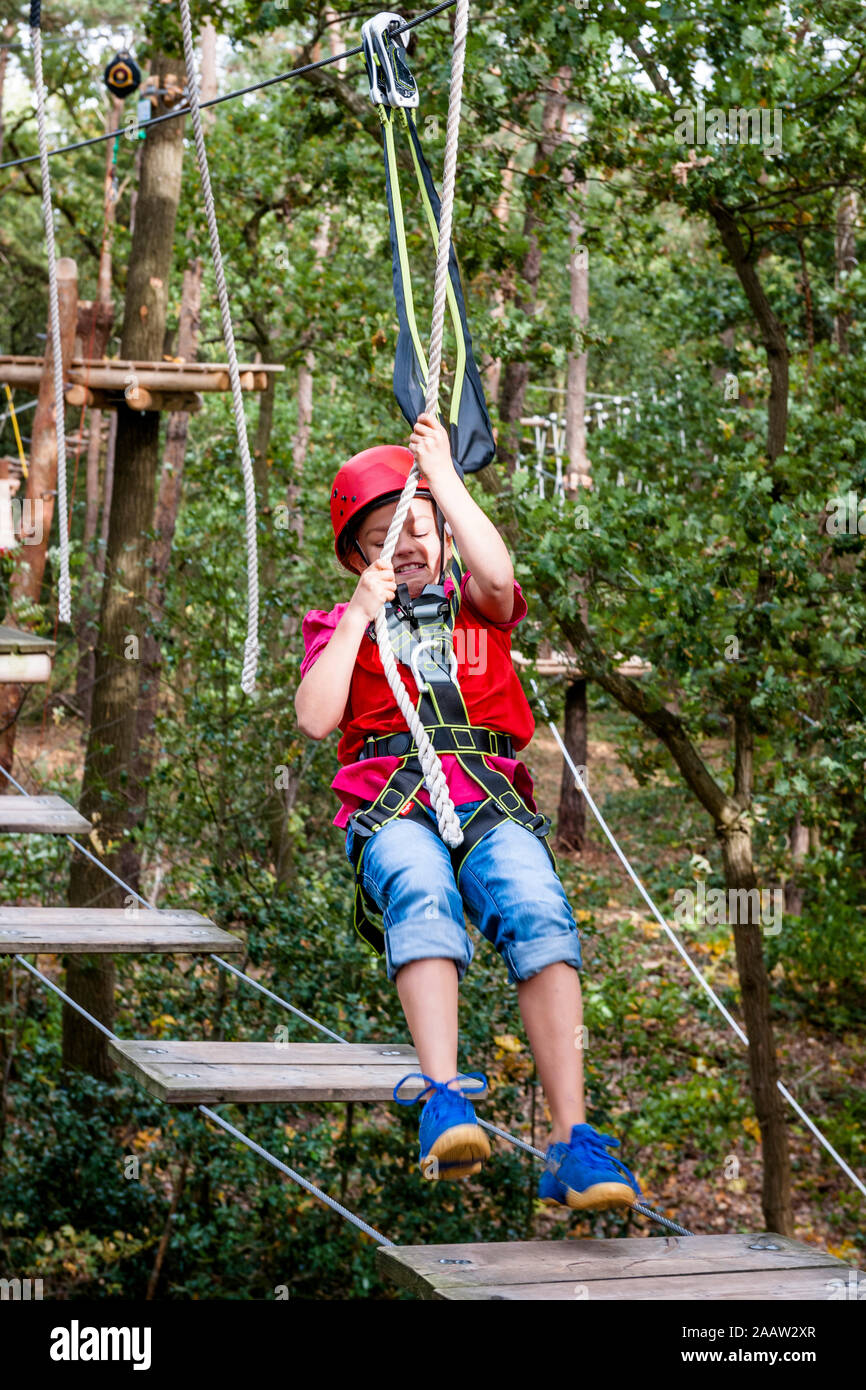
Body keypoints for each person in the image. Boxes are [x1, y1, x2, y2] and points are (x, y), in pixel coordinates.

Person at [295, 411, 641, 1210]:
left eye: (417, 527)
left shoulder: (476, 607)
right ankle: (443, 1095)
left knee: (538, 906)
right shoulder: (341, 628)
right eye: (384, 535)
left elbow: (497, 567)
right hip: (393, 801)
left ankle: (572, 1142)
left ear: (444, 532)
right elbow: (316, 718)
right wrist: (355, 613)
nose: (406, 545)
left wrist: (443, 480)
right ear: (358, 557)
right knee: (420, 887)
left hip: (484, 795)